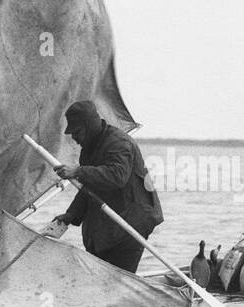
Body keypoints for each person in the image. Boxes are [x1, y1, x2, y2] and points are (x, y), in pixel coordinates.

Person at [50, 99, 164, 273]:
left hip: (132, 223)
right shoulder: (88, 150)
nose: (74, 137)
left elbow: (117, 176)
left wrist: (78, 171)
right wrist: (72, 215)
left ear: (88, 126)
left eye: (77, 132)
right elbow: (89, 188)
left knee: (118, 280)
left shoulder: (119, 143)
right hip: (111, 225)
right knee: (100, 278)